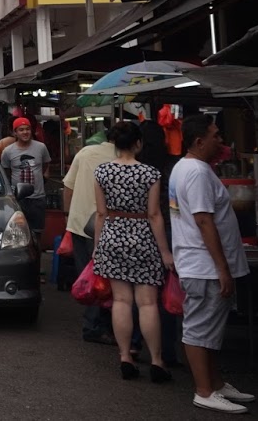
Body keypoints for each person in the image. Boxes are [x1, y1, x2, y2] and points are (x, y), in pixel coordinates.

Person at [169, 117, 254, 414]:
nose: (221, 141)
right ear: (198, 141)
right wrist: (222, 267)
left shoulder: (188, 168)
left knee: (210, 330)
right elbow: (204, 220)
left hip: (199, 263)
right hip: (203, 265)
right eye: (215, 135)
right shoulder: (195, 172)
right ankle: (203, 390)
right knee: (198, 329)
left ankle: (215, 383)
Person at [93, 121, 175, 383]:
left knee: (121, 301)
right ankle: (157, 361)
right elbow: (154, 214)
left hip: (112, 236)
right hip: (143, 237)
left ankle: (125, 356)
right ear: (138, 143)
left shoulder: (102, 172)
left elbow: (101, 213)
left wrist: (97, 246)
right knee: (148, 303)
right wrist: (164, 251)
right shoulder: (151, 174)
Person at [64, 136, 117, 345]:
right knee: (106, 278)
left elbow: (68, 187)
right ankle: (98, 325)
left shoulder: (84, 153)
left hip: (79, 224)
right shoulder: (125, 158)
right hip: (108, 226)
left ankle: (92, 324)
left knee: (89, 276)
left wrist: (67, 216)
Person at [1, 118, 51, 238]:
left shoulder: (41, 147)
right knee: (18, 233)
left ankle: (36, 255)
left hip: (37, 198)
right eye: (21, 130)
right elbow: (6, 172)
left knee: (37, 233)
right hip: (18, 200)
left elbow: (45, 165)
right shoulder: (8, 151)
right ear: (15, 133)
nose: (25, 132)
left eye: (27, 129)